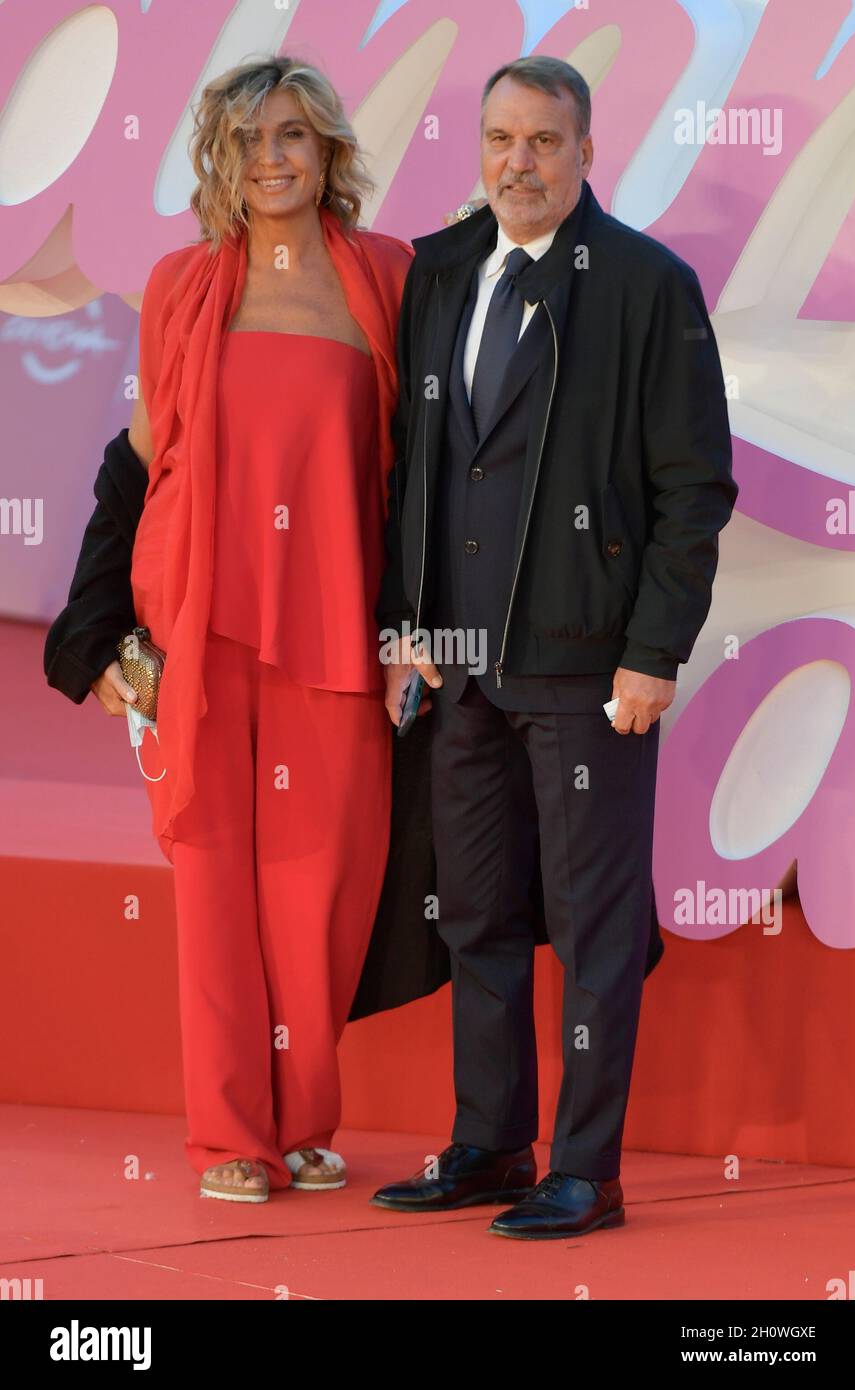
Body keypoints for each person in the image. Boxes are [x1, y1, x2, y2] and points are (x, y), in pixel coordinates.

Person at [46, 55, 423, 1204]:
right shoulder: (182, 285)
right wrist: (97, 629)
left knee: (323, 895)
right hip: (196, 638)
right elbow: (138, 466)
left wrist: (422, 625)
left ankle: (303, 1123)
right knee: (215, 895)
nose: (272, 158)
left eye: (294, 137)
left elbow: (424, 470)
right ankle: (228, 1139)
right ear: (221, 155)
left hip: (335, 635)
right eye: (250, 139)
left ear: (328, 153)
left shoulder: (388, 278)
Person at [372, 57, 738, 1239]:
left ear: (587, 150)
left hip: (588, 666)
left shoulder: (644, 284)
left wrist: (654, 652)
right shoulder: (436, 272)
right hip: (458, 660)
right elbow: (414, 470)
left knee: (590, 925)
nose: (516, 163)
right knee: (472, 911)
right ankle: (487, 1142)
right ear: (476, 146)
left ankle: (585, 1166)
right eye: (498, 138)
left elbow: (692, 488)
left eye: (542, 140)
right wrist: (405, 624)